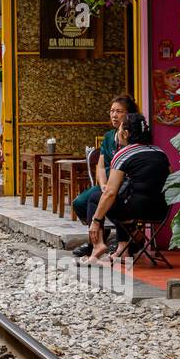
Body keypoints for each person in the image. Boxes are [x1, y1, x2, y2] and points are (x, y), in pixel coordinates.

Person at [83, 113, 172, 264]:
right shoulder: (161, 153)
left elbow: (110, 193)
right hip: (161, 211)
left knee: (96, 197)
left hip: (134, 211)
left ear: (125, 133)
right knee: (122, 196)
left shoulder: (123, 155)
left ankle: (97, 246)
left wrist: (96, 221)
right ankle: (122, 251)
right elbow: (171, 182)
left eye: (120, 131)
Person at [72, 95, 139, 258]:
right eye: (112, 111)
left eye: (119, 111)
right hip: (107, 184)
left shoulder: (134, 136)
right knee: (80, 202)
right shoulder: (109, 136)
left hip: (125, 186)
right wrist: (102, 184)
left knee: (105, 202)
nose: (114, 115)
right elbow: (101, 165)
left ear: (129, 114)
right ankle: (100, 239)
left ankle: (107, 241)